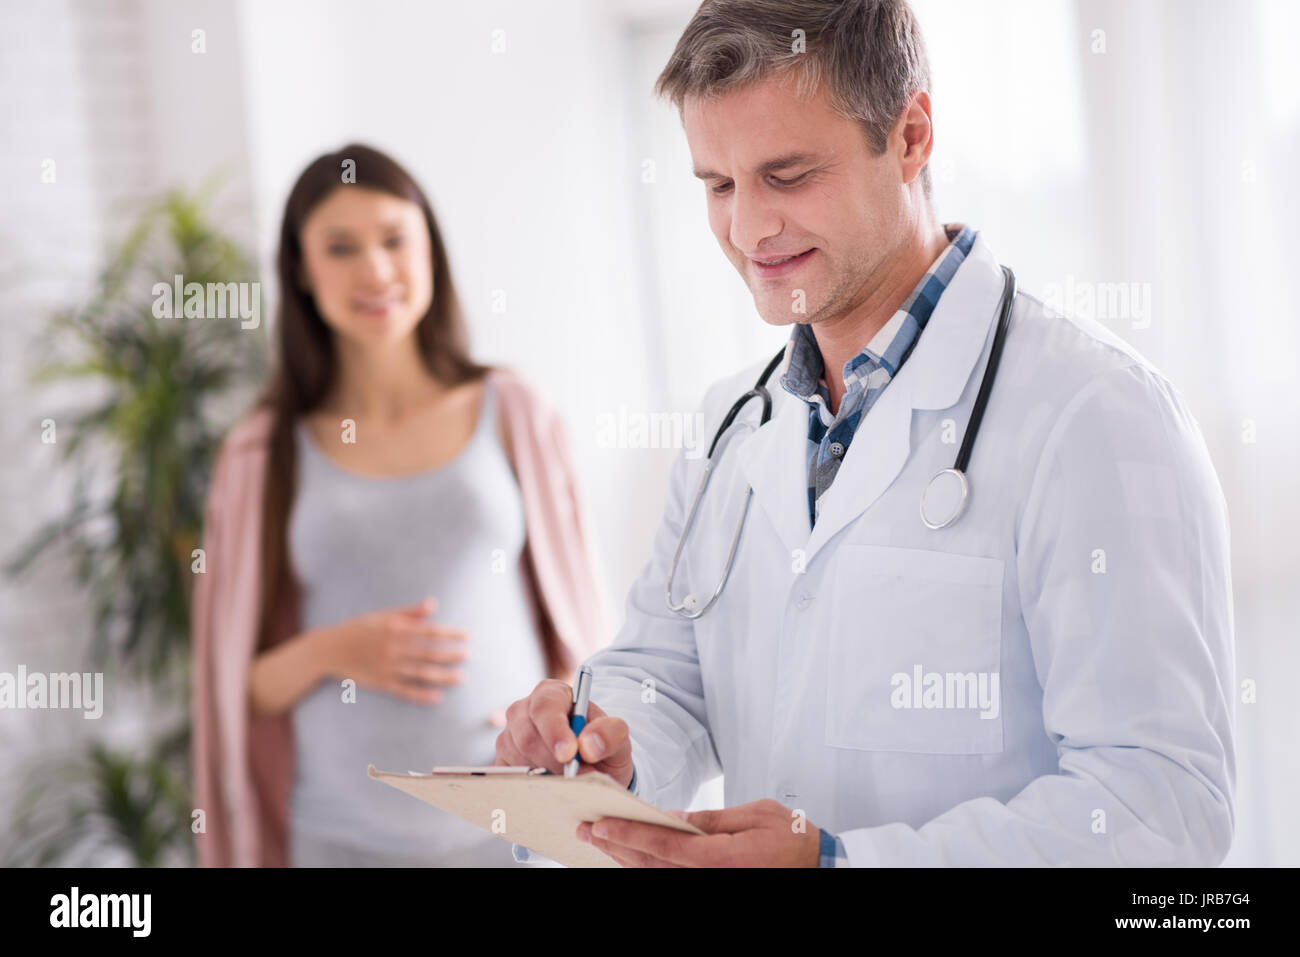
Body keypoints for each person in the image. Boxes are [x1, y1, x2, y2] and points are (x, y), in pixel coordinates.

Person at [494, 0, 1235, 866]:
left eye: (789, 174)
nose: (747, 230)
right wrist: (607, 751)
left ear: (912, 135)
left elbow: (1159, 807)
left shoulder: (1094, 413)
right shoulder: (730, 426)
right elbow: (669, 681)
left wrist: (841, 861)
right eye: (719, 185)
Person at [191, 143, 608, 867]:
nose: (376, 270)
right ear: (301, 270)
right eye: (342, 247)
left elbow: (583, 627)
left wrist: (557, 715)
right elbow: (233, 684)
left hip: (518, 827)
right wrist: (331, 651)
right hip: (338, 841)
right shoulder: (260, 454)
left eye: (394, 239)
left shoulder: (514, 410)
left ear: (430, 251)